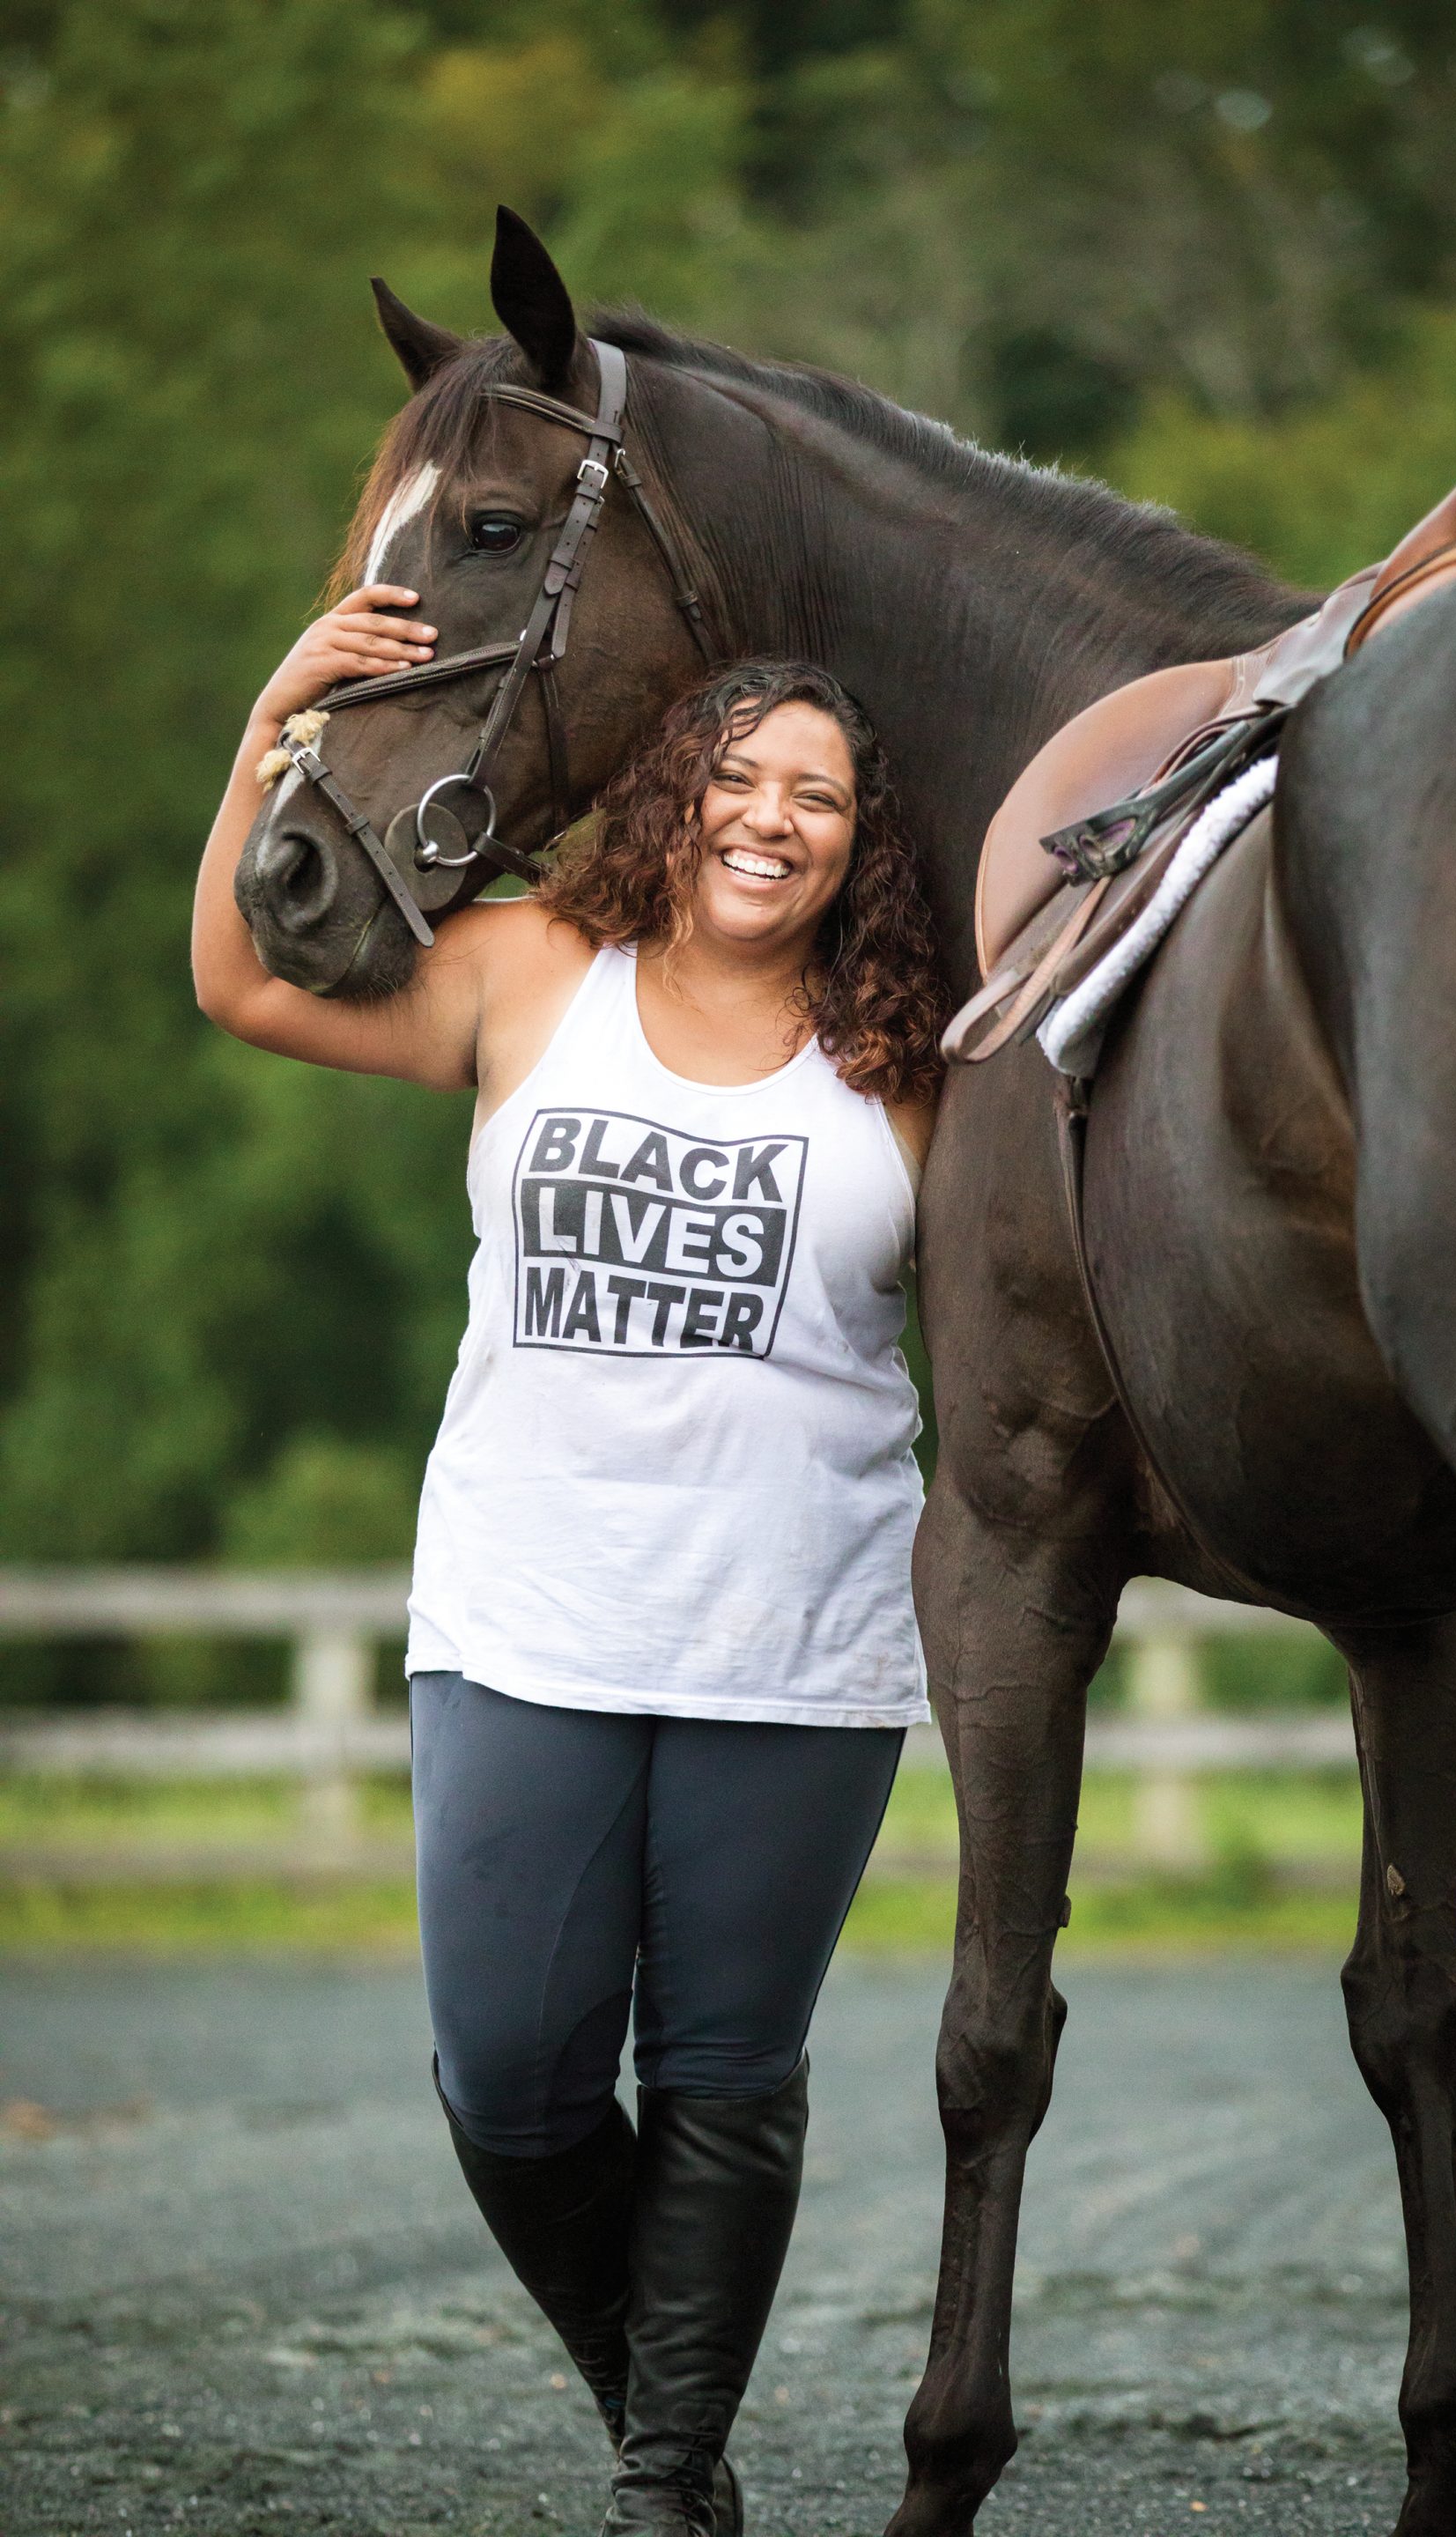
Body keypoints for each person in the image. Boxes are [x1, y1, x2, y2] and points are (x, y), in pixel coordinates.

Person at [192, 598, 947, 2537]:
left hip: (796, 1641)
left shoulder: (912, 1063)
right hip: (526, 1615)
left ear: (865, 847)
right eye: (744, 779)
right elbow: (245, 988)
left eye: (825, 801)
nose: (776, 821)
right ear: (673, 797)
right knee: (512, 2080)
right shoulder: (533, 970)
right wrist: (283, 714)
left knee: (722, 2076)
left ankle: (668, 2485)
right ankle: (660, 2411)